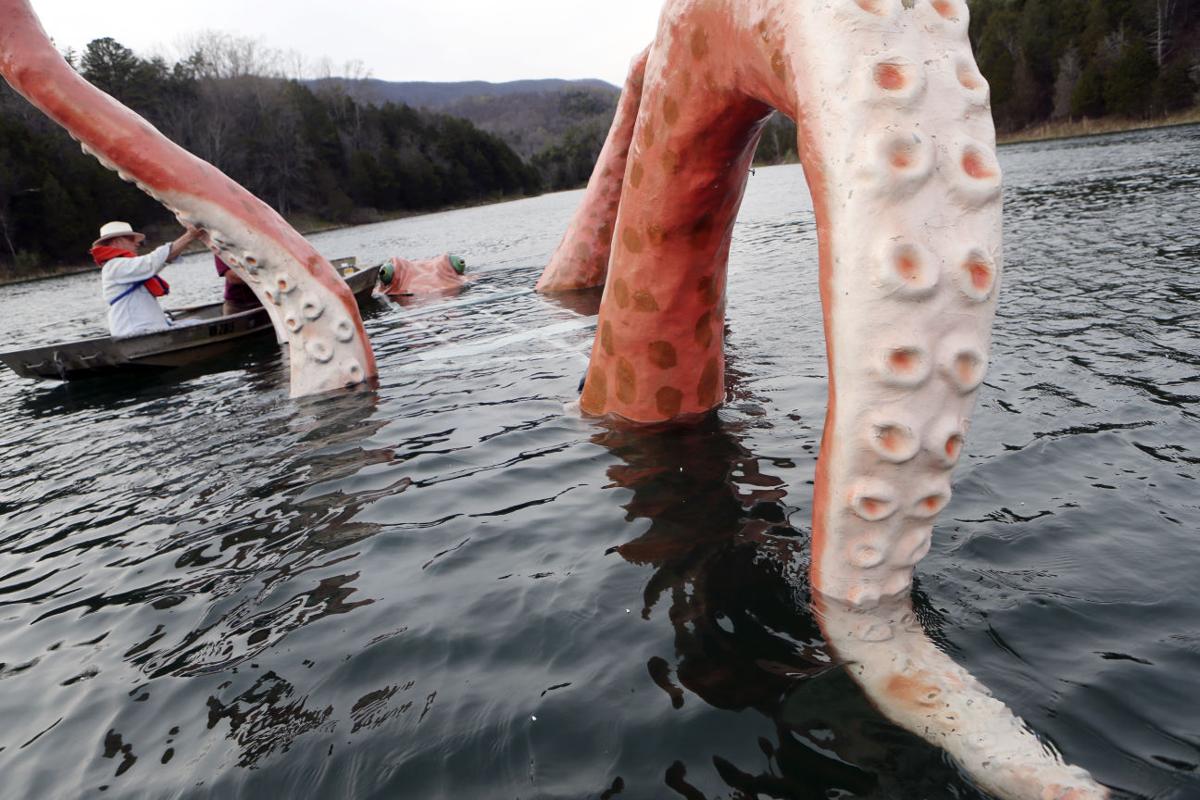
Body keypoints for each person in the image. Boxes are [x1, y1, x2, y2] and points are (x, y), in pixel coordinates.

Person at [91, 221, 204, 338]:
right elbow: (153, 262)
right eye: (131, 238)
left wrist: (190, 236)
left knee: (196, 322)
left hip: (149, 329)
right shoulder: (114, 266)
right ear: (117, 242)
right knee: (198, 325)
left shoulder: (125, 265)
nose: (137, 243)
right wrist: (190, 235)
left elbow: (162, 260)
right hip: (135, 332)